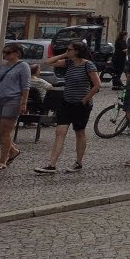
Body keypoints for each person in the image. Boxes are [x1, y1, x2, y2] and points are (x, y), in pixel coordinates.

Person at [34, 41, 101, 174]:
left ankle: (78, 162)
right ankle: (52, 165)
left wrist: (85, 100)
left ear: (77, 51)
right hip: (66, 102)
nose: (67, 51)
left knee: (79, 132)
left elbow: (97, 85)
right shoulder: (68, 63)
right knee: (60, 132)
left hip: (81, 105)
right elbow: (48, 62)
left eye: (69, 49)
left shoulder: (88, 65)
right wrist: (64, 54)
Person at [0, 43, 29, 169]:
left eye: (7, 52)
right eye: (3, 52)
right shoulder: (3, 65)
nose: (5, 55)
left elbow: (25, 86)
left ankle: (3, 160)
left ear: (16, 53)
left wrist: (23, 103)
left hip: (13, 99)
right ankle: (13, 151)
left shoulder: (23, 66)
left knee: (5, 131)